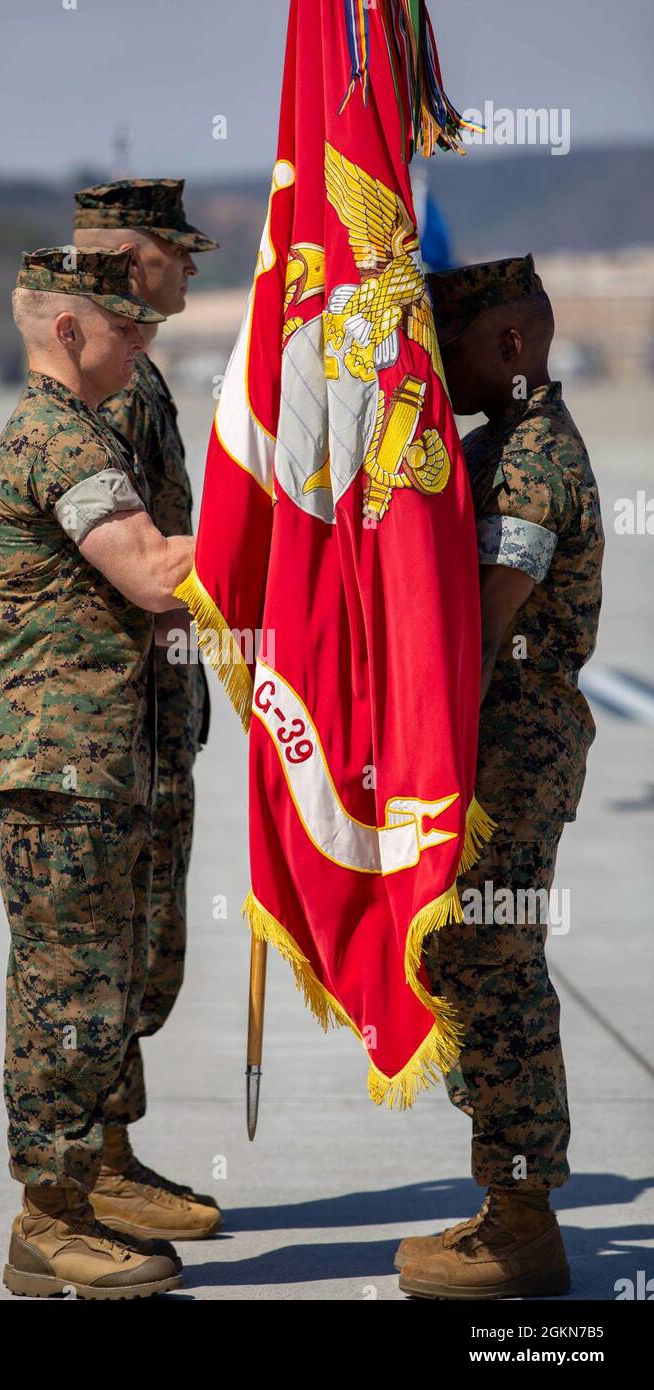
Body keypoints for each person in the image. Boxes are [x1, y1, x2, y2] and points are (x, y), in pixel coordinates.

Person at [0, 245, 196, 1299]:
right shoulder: (57, 439)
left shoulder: (87, 426)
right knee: (68, 990)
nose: (144, 339)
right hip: (58, 759)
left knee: (95, 982)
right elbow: (152, 572)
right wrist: (286, 531)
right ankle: (46, 1221)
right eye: (124, 326)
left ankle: (80, 1190)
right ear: (66, 331)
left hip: (91, 756)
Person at [395, 255, 604, 1299]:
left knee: (495, 967)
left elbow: (477, 626)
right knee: (472, 966)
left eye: (450, 351)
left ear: (512, 348)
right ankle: (507, 1200)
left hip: (509, 757)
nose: (434, 372)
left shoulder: (531, 464)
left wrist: (410, 746)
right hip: (486, 752)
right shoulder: (491, 448)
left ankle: (522, 1222)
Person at [69, 179, 222, 1240]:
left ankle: (111, 1150)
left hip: (152, 705)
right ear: (131, 254)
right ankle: (85, 1170)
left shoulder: (136, 373)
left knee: (144, 945)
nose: (194, 267)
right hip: (110, 717)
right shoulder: (107, 390)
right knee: (106, 948)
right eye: (178, 250)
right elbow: (145, 564)